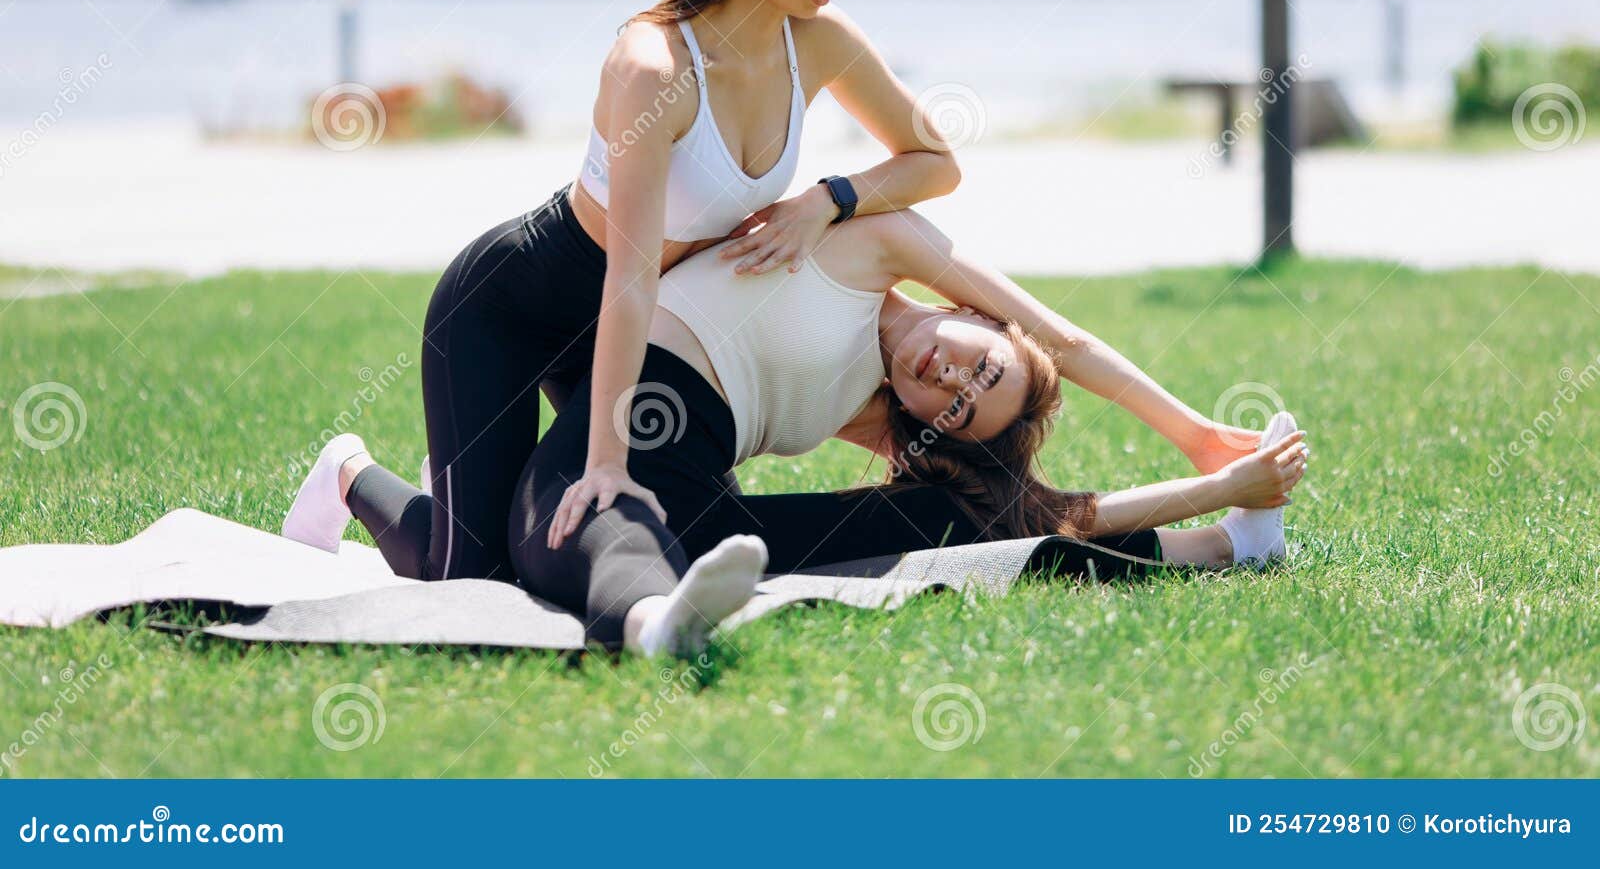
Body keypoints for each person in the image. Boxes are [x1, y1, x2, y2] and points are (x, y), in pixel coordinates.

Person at [284, 0, 964, 581]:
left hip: (640, 331)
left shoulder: (821, 39)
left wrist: (826, 200)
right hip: (513, 308)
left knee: (622, 535)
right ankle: (347, 471)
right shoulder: (652, 64)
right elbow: (630, 274)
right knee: (471, 577)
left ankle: (469, 488)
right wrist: (604, 462)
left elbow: (935, 161)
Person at [285, 209, 1310, 655]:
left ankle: (1220, 546)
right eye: (977, 365)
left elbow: (1014, 512)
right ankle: (647, 615)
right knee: (509, 567)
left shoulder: (880, 400)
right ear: (985, 322)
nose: (948, 384)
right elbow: (1068, 338)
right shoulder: (864, 240)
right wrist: (1191, 434)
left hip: (698, 493)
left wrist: (1218, 495)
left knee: (946, 526)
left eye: (956, 408)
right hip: (607, 449)